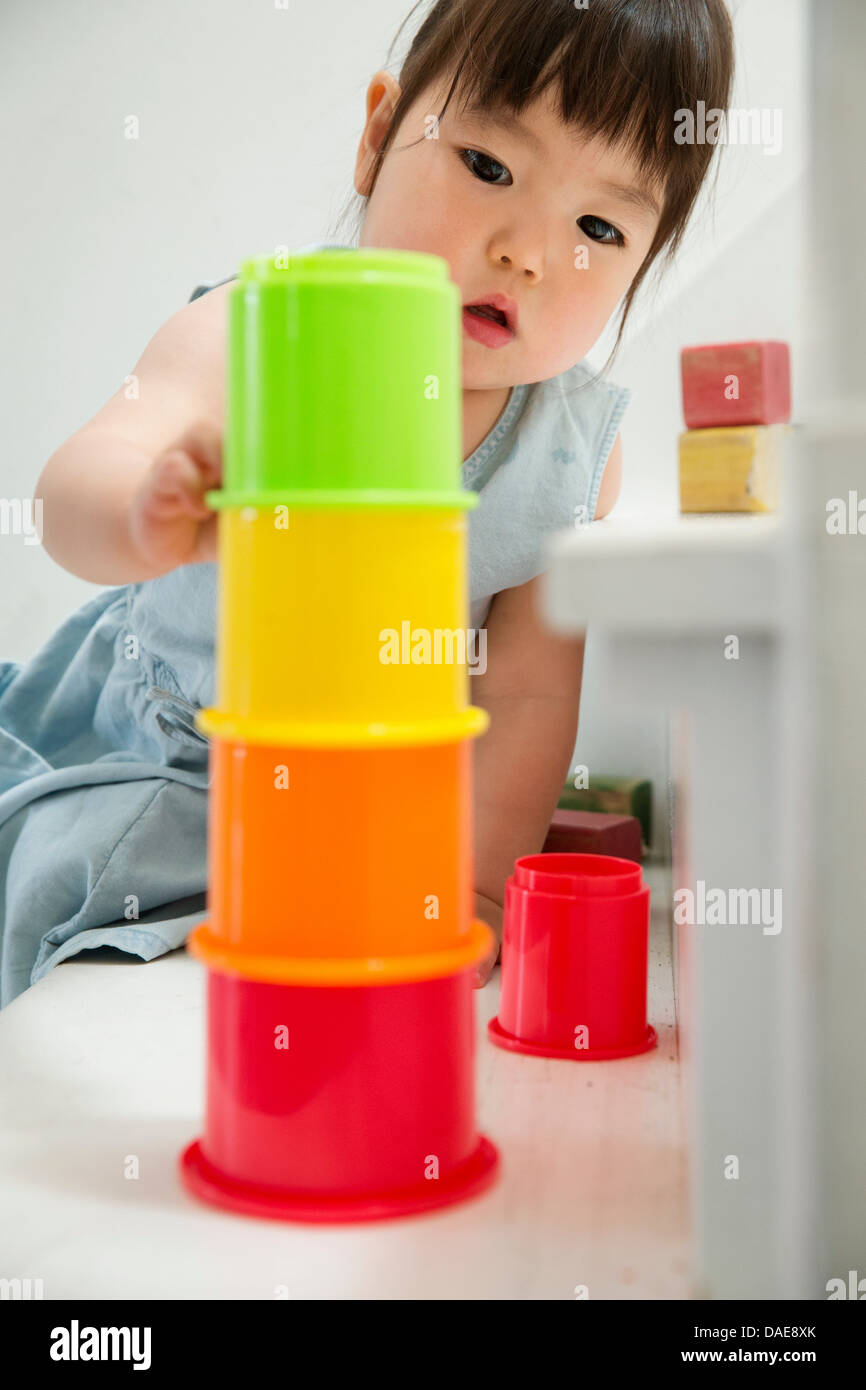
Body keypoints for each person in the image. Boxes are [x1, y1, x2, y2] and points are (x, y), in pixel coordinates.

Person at [0, 0, 734, 1007]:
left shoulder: (564, 458)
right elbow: (70, 488)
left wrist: (469, 887)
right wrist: (145, 512)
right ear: (378, 135)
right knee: (60, 901)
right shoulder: (255, 335)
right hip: (160, 765)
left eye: (597, 227)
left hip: (369, 817)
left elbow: (522, 697)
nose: (526, 248)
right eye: (488, 166)